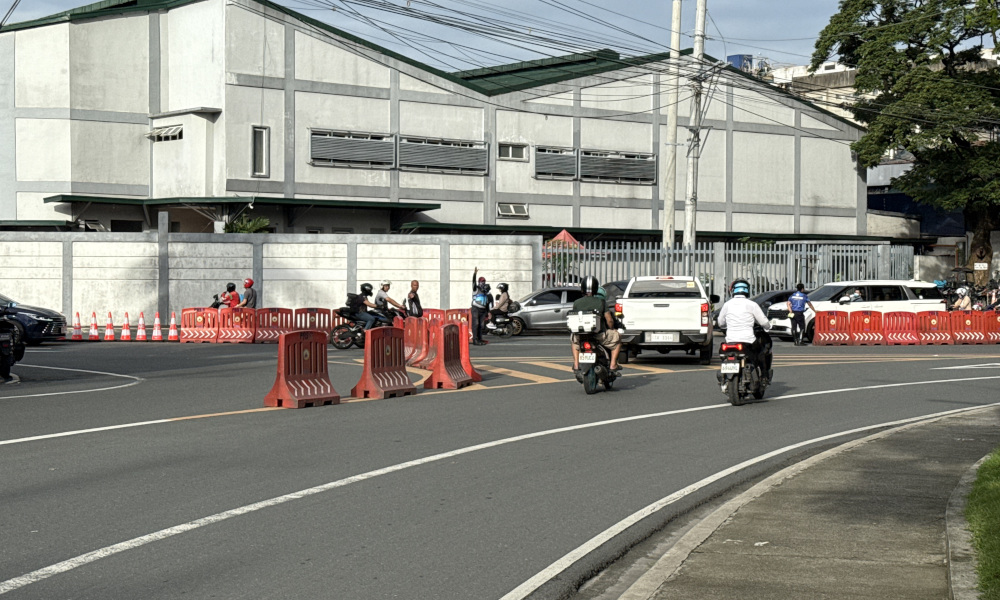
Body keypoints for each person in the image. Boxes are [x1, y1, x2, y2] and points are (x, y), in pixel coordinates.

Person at [718, 278, 772, 384]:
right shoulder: (752, 305)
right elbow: (764, 322)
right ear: (747, 290)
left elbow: (720, 322)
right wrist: (767, 327)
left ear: (733, 290)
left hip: (730, 342)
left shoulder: (727, 305)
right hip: (748, 341)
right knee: (762, 351)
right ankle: (764, 376)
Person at [570, 276, 622, 381]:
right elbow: (609, 320)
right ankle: (612, 365)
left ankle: (576, 365)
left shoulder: (577, 303)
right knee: (618, 340)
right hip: (599, 336)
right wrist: (611, 329)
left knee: (574, 343)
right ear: (595, 288)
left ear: (583, 288)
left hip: (580, 336)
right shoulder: (601, 302)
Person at [471, 267, 492, 345]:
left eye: (484, 281)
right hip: (476, 309)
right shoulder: (475, 289)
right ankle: (475, 340)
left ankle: (480, 339)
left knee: (481, 325)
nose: (483, 283)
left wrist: (488, 312)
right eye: (482, 281)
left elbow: (487, 302)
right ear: (479, 282)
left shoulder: (485, 291)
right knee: (476, 324)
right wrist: (475, 274)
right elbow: (473, 282)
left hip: (483, 310)